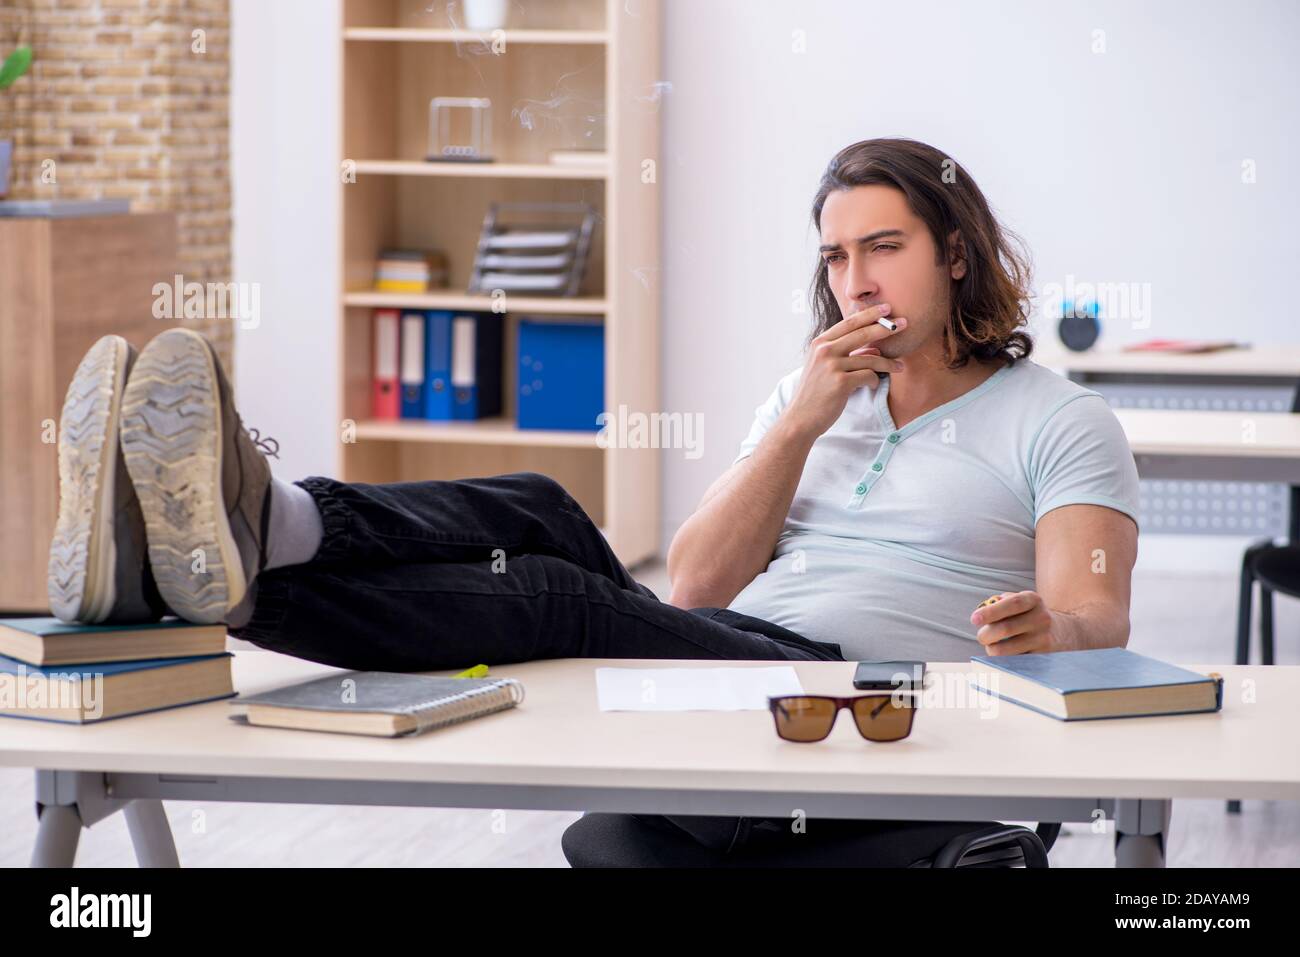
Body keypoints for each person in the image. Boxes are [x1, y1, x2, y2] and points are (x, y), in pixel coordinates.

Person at [46, 137, 1139, 867]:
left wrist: (1052, 630)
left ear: (953, 252)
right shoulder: (810, 396)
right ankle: (265, 527)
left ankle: (230, 574)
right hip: (743, 648)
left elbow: (1099, 624)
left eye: (883, 249)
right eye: (837, 256)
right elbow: (702, 580)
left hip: (858, 702)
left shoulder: (1058, 420)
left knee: (568, 602)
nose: (856, 280)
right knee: (537, 504)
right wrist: (802, 420)